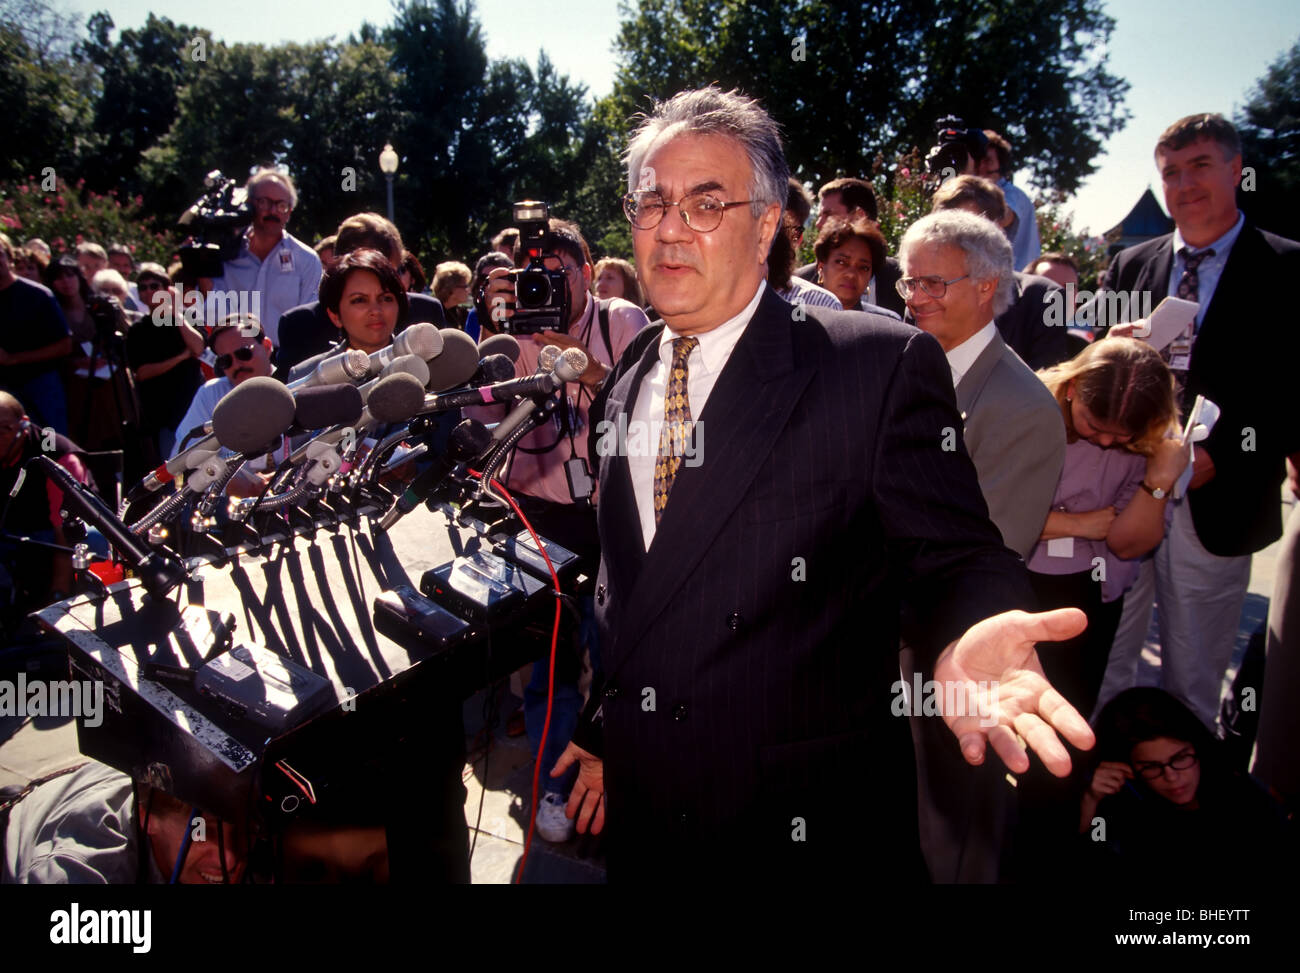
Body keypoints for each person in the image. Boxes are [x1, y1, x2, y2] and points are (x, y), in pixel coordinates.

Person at [553, 86, 1094, 882]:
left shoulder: (871, 364)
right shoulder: (630, 372)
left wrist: (973, 628)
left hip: (797, 829)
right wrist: (603, 728)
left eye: (706, 204)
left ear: (767, 224)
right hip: (647, 816)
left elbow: (956, 555)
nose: (669, 227)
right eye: (651, 202)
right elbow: (627, 588)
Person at [1094, 113, 1300, 729]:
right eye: (1170, 173)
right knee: (1107, 660)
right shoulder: (1131, 266)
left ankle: (1184, 804)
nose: (1184, 185)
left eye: (1200, 166)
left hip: (1217, 499)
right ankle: (1104, 795)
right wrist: (1111, 343)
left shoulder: (1288, 267)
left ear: (1238, 171)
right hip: (1125, 489)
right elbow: (1093, 367)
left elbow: (1293, 389)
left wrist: (1229, 454)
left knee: (1193, 674)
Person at [479, 217, 649, 844]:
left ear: (584, 270)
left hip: (611, 518)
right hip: (539, 515)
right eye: (532, 275)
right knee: (548, 667)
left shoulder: (622, 321)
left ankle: (608, 777)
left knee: (614, 660)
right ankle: (553, 784)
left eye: (557, 273)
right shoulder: (512, 332)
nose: (543, 287)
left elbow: (648, 408)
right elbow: (487, 418)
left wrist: (591, 374)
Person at [1027, 338, 1186, 717]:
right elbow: (989, 516)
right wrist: (1077, 523)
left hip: (1090, 590)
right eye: (1094, 426)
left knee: (1067, 711)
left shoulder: (1153, 440)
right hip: (1018, 580)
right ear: (1071, 389)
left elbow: (1128, 544)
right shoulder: (1026, 408)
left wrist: (1158, 481)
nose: (1105, 441)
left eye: (1121, 437)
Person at [898, 209, 1064, 560]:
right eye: (910, 283)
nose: (915, 298)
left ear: (986, 285)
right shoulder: (900, 368)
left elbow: (987, 557)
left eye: (933, 283)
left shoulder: (1025, 409)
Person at [1079, 688, 1294, 884]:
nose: (1171, 776)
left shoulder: (1243, 794)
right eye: (1151, 766)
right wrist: (1091, 801)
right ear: (1127, 768)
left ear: (1197, 747)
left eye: (1180, 758)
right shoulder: (1119, 811)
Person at [2, 760, 248, 884]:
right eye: (200, 832)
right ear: (147, 819)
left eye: (242, 829)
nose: (229, 857)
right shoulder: (82, 868)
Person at [274, 213, 446, 379]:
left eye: (392, 273)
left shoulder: (425, 313)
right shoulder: (299, 326)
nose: (376, 310)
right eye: (359, 300)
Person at [930, 175, 1068, 369]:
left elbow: (1048, 386)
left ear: (998, 230)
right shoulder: (920, 295)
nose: (957, 242)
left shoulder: (1044, 298)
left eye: (969, 230)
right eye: (946, 230)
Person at [0, 390, 95, 618]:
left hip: (52, 537)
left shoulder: (55, 456)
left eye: (3, 429)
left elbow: (65, 531)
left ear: (24, 425)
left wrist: (58, 598)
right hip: (12, 532)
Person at [209, 167, 321, 350]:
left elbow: (308, 323)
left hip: (284, 361)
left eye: (281, 205)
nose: (273, 211)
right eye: (264, 202)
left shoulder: (306, 260)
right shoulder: (225, 256)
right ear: (249, 204)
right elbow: (210, 311)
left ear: (289, 212)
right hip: (232, 360)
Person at [125, 262, 205, 459]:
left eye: (154, 286)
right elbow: (142, 373)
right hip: (159, 408)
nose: (148, 291)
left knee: (199, 460)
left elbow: (198, 348)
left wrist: (176, 313)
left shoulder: (188, 318)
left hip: (190, 399)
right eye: (143, 287)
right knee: (167, 464)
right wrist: (180, 357)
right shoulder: (138, 330)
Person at [287, 249, 408, 379]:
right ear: (335, 316)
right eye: (360, 300)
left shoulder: (426, 362)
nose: (376, 311)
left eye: (386, 298)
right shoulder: (308, 376)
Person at [795, 176, 907, 315]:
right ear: (821, 267)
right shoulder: (799, 283)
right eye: (841, 262)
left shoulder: (902, 280)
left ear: (860, 216)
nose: (818, 224)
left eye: (828, 214)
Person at [0, 233, 72, 434]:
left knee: (49, 446)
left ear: (9, 257)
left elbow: (64, 345)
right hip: (3, 391)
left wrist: (13, 359)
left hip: (40, 386)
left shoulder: (38, 295)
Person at [979, 129, 1041, 271]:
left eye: (987, 161)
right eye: (977, 160)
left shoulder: (1013, 195)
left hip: (1017, 283)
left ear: (1000, 165)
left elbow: (1000, 217)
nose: (981, 167)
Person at [812, 217, 891, 314]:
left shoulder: (886, 323)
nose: (851, 274)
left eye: (863, 267)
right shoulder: (799, 316)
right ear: (821, 266)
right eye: (841, 262)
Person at [431, 260, 471, 329]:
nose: (469, 290)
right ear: (451, 288)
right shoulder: (433, 314)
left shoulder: (463, 314)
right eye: (465, 286)